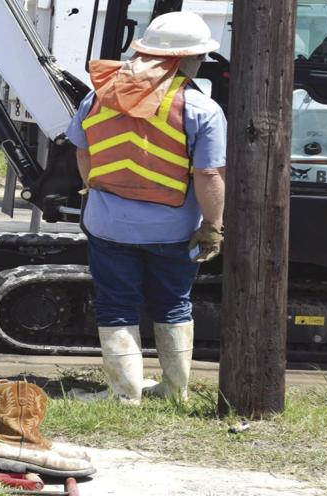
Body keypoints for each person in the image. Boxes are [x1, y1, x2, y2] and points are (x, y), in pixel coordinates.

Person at [66, 10, 226, 405]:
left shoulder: (98, 96)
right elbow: (208, 175)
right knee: (173, 303)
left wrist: (93, 190)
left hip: (108, 226)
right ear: (188, 59)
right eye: (201, 55)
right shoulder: (200, 108)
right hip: (174, 231)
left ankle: (125, 394)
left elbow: (83, 151)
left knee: (116, 304)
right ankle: (174, 391)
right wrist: (213, 225)